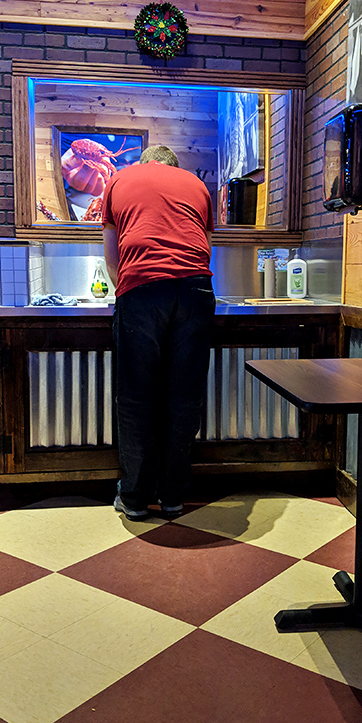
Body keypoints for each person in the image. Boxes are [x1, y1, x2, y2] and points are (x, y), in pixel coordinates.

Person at [101, 144, 215, 521]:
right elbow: (206, 250)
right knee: (185, 397)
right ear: (173, 167)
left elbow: (112, 256)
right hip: (196, 291)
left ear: (145, 162)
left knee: (136, 398)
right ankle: (172, 496)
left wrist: (130, 291)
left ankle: (134, 498)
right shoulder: (197, 186)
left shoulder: (119, 178)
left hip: (142, 289)